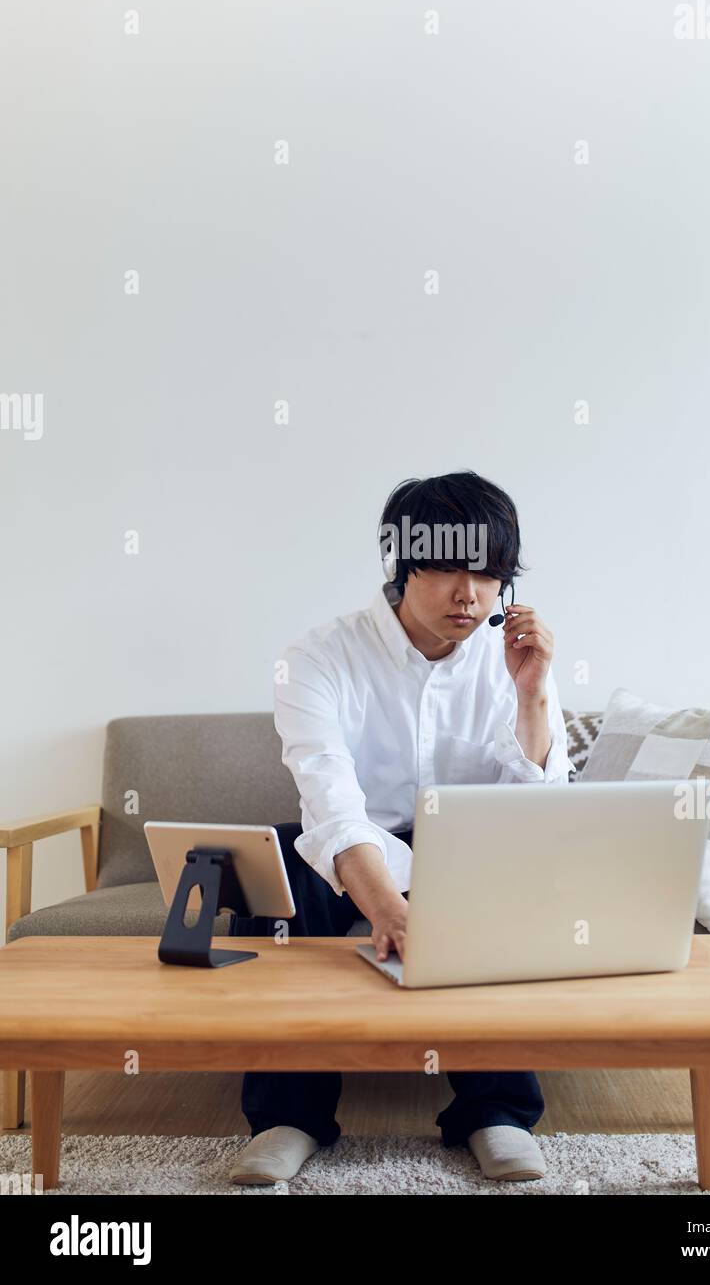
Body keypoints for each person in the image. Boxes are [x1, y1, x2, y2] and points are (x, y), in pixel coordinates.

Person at [229, 470, 573, 1186]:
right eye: (447, 567)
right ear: (400, 562)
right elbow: (330, 802)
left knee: (509, 865)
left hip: (471, 851)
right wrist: (387, 907)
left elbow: (540, 812)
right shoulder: (318, 658)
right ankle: (288, 1116)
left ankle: (495, 1114)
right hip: (359, 850)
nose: (468, 594)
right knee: (286, 864)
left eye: (487, 573)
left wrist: (534, 694)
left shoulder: (510, 655)